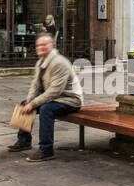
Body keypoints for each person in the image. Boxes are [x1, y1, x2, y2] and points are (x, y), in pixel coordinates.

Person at [7, 32, 82, 162]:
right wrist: (29, 100)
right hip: (56, 98)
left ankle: (46, 150)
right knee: (24, 103)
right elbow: (35, 85)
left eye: (44, 45)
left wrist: (34, 104)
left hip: (70, 100)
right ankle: (24, 141)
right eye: (38, 45)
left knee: (46, 109)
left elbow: (54, 91)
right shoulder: (41, 61)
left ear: (52, 47)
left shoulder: (59, 63)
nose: (40, 48)